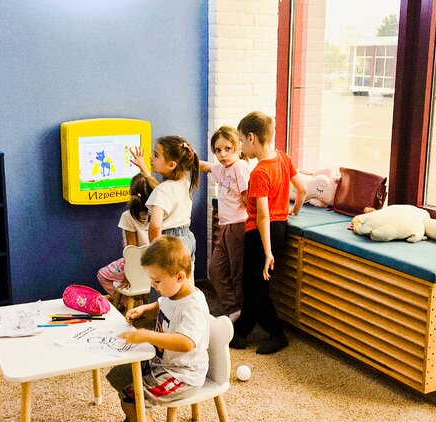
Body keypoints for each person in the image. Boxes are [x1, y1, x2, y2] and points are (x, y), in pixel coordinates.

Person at [106, 236, 210, 422]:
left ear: (180, 277)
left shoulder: (193, 306)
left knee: (133, 397)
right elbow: (162, 304)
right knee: (120, 374)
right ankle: (135, 416)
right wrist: (145, 309)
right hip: (161, 361)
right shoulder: (173, 294)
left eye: (157, 280)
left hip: (183, 374)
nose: (153, 285)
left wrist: (146, 336)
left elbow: (186, 343)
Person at [230, 111, 306, 354]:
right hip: (279, 228)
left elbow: (262, 215)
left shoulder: (260, 173)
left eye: (241, 140)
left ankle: (277, 333)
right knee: (254, 283)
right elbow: (302, 189)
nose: (241, 146)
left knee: (255, 286)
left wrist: (267, 252)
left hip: (260, 234)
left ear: (252, 138)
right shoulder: (283, 158)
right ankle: (242, 331)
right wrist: (294, 210)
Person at [199, 126, 250, 322]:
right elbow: (205, 166)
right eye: (218, 150)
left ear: (238, 147)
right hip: (225, 226)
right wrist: (188, 155)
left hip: (238, 225)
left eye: (228, 149)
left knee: (237, 272)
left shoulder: (239, 167)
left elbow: (248, 198)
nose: (222, 154)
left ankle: (241, 314)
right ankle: (234, 308)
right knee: (216, 270)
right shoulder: (222, 168)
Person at [130, 136, 200, 260]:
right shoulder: (184, 183)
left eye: (156, 155)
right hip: (187, 239)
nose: (151, 157)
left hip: (169, 245)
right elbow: (163, 193)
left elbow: (155, 226)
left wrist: (155, 251)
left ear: (171, 165)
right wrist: (144, 169)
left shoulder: (162, 190)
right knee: (185, 272)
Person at [96, 174, 153, 298]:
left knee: (102, 274)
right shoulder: (158, 213)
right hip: (154, 264)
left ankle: (124, 302)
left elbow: (132, 252)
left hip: (136, 267)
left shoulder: (128, 216)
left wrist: (128, 275)